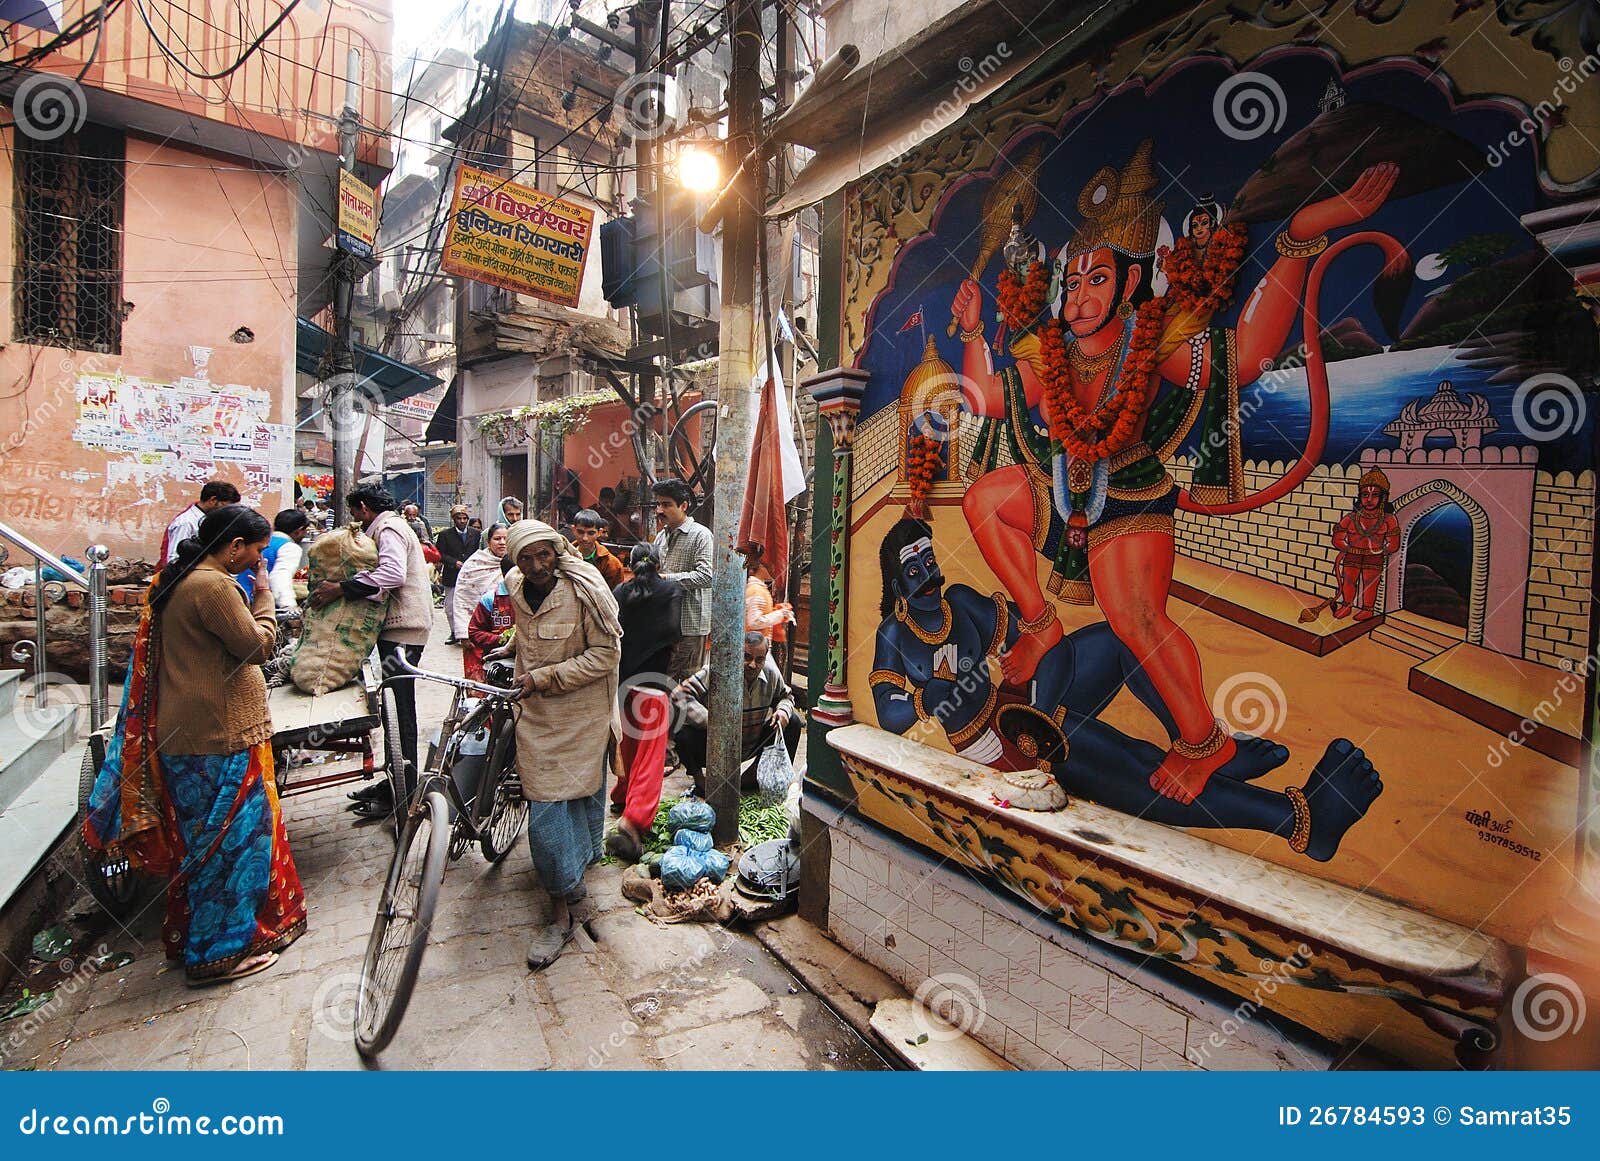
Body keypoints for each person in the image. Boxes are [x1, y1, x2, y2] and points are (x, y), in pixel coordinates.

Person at [84, 505, 305, 983]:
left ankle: (205, 942)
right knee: (229, 849)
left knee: (207, 846)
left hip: (193, 735)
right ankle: (217, 953)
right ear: (233, 547)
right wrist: (264, 596)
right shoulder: (213, 587)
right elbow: (256, 647)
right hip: (217, 734)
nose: (257, 562)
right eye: (255, 553)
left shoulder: (181, 579)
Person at [502, 520, 623, 969]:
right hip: (534, 714)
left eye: (544, 556)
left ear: (558, 551)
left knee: (576, 798)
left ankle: (570, 895)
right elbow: (529, 637)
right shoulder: (515, 585)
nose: (536, 566)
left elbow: (606, 655)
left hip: (581, 714)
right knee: (546, 805)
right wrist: (510, 653)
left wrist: (544, 677)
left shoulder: (584, 589)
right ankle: (563, 901)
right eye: (526, 558)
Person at [309, 485, 433, 820]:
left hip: (404, 632)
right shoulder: (387, 526)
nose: (356, 522)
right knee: (394, 706)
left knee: (400, 709)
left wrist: (340, 589)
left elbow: (392, 574)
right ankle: (395, 781)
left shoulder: (389, 528)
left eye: (355, 514)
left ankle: (405, 791)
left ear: (363, 508)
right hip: (398, 631)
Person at [605, 543, 683, 862]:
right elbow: (674, 632)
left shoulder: (619, 591)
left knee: (627, 747)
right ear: (659, 564)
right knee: (651, 756)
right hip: (654, 684)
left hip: (622, 684)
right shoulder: (672, 590)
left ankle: (621, 797)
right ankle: (633, 820)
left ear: (630, 564)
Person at [671, 631, 799, 798]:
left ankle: (751, 776)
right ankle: (700, 781)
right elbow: (678, 695)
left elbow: (786, 697)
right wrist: (710, 721)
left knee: (793, 722)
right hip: (716, 746)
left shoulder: (771, 673)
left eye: (759, 660)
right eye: (746, 657)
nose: (752, 664)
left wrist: (782, 710)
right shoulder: (717, 670)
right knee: (682, 732)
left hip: (752, 741)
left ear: (765, 658)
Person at [651, 479, 713, 681]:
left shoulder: (701, 536)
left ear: (683, 506)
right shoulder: (661, 536)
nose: (660, 510)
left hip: (691, 623)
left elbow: (707, 576)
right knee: (666, 679)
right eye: (658, 504)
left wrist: (666, 579)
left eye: (666, 504)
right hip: (666, 623)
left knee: (689, 682)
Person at [455, 524, 509, 673]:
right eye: (497, 539)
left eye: (506, 538)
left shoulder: (519, 561)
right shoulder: (474, 564)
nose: (502, 542)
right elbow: (462, 599)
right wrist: (463, 634)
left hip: (508, 633)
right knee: (478, 681)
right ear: (488, 541)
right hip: (478, 631)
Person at [161, 481, 240, 564]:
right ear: (213, 500)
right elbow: (174, 559)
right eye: (225, 507)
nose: (227, 512)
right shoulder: (186, 523)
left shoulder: (209, 519)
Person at [435, 504, 481, 644]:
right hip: (452, 576)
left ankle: (469, 633)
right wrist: (454, 562)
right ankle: (454, 632)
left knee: (470, 605)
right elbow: (440, 554)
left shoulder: (475, 534)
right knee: (450, 607)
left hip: (471, 576)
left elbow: (479, 551)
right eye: (458, 518)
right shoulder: (445, 535)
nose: (462, 521)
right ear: (453, 519)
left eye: (464, 518)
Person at [464, 572, 515, 684]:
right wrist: (501, 639)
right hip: (496, 661)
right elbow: (474, 632)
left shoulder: (535, 597)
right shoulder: (491, 598)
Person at [265, 508, 310, 615]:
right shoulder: (289, 547)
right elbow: (280, 577)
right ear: (298, 531)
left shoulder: (264, 540)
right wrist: (289, 607)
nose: (304, 535)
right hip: (262, 601)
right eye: (305, 531)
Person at [569, 508, 625, 588]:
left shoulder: (612, 564)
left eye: (590, 533)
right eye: (580, 532)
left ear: (599, 533)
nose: (585, 538)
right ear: (573, 530)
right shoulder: (565, 556)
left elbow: (614, 597)